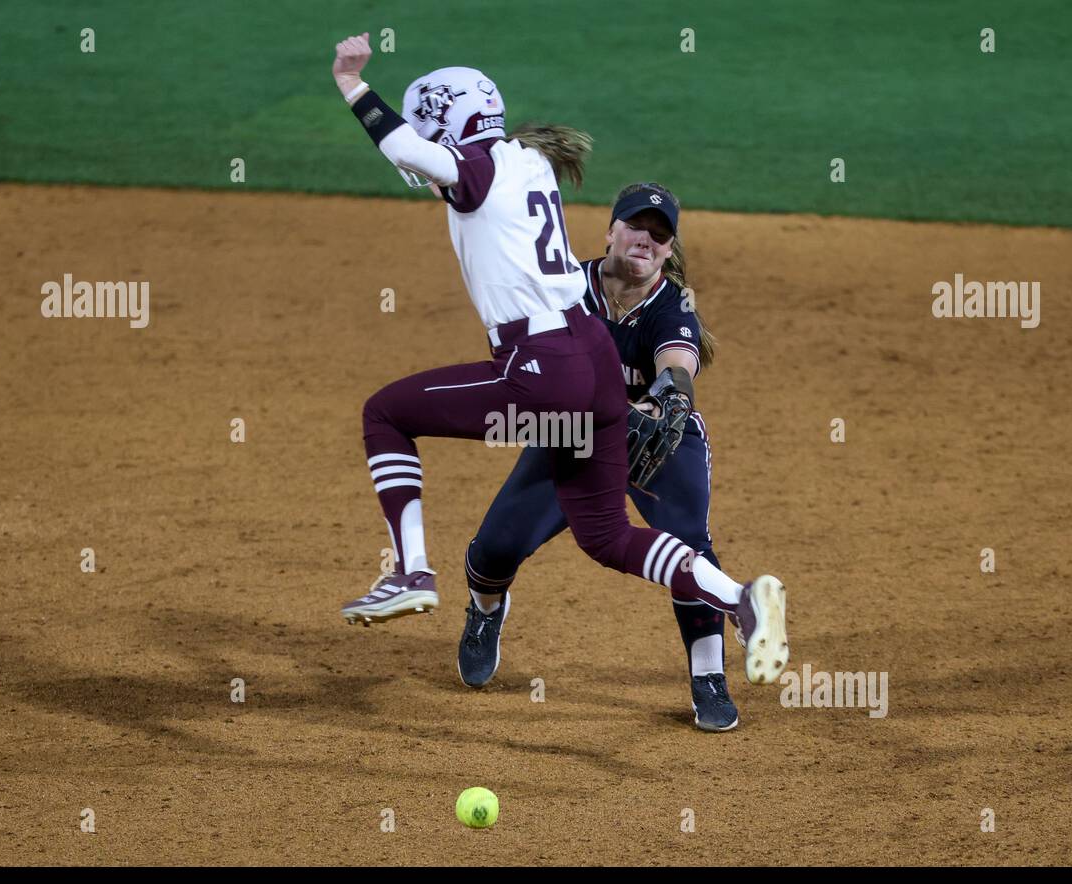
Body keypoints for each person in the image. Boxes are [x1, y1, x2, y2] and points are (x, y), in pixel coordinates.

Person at [329, 33, 787, 678]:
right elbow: (437, 174)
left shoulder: (479, 171)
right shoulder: (526, 164)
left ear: (450, 127)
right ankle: (739, 598)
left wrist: (352, 84)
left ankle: (412, 571)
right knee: (605, 536)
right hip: (592, 358)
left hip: (541, 367)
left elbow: (408, 150)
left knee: (386, 414)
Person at [460, 183, 781, 730]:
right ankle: (485, 613)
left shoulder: (673, 302)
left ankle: (708, 676)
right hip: (575, 439)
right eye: (636, 226)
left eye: (660, 234)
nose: (646, 239)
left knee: (689, 549)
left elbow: (677, 360)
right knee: (495, 549)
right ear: (610, 230)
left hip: (658, 442)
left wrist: (670, 395)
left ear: (668, 248)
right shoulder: (563, 286)